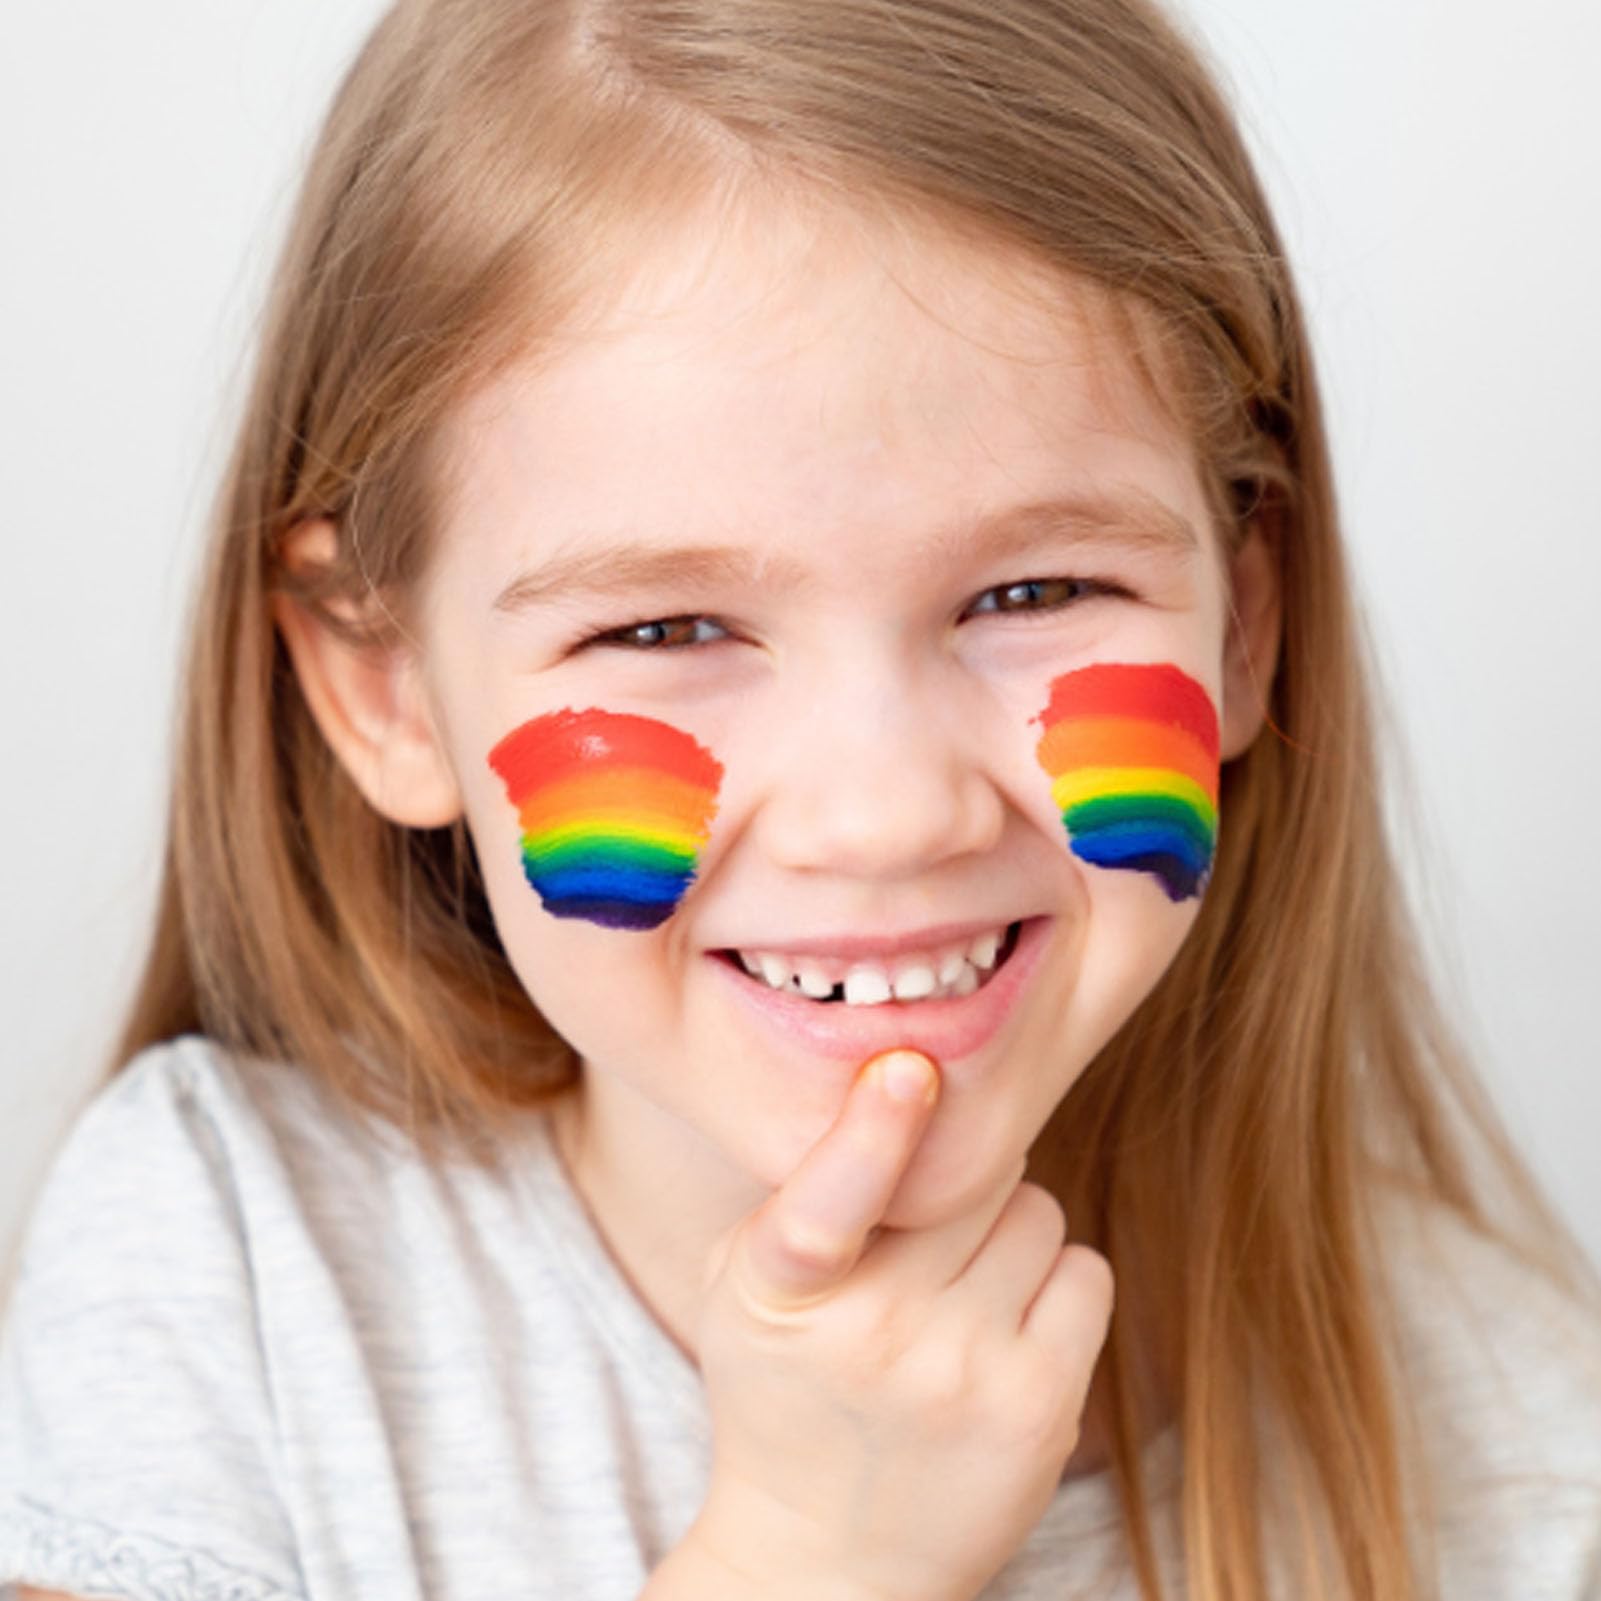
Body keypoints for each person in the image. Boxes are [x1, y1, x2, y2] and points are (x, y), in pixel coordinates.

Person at [2, 0, 1599, 1596]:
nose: (886, 810)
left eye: (1036, 588)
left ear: (1244, 627)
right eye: (665, 628)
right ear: (385, 686)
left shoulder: (1515, 1438)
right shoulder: (232, 1279)